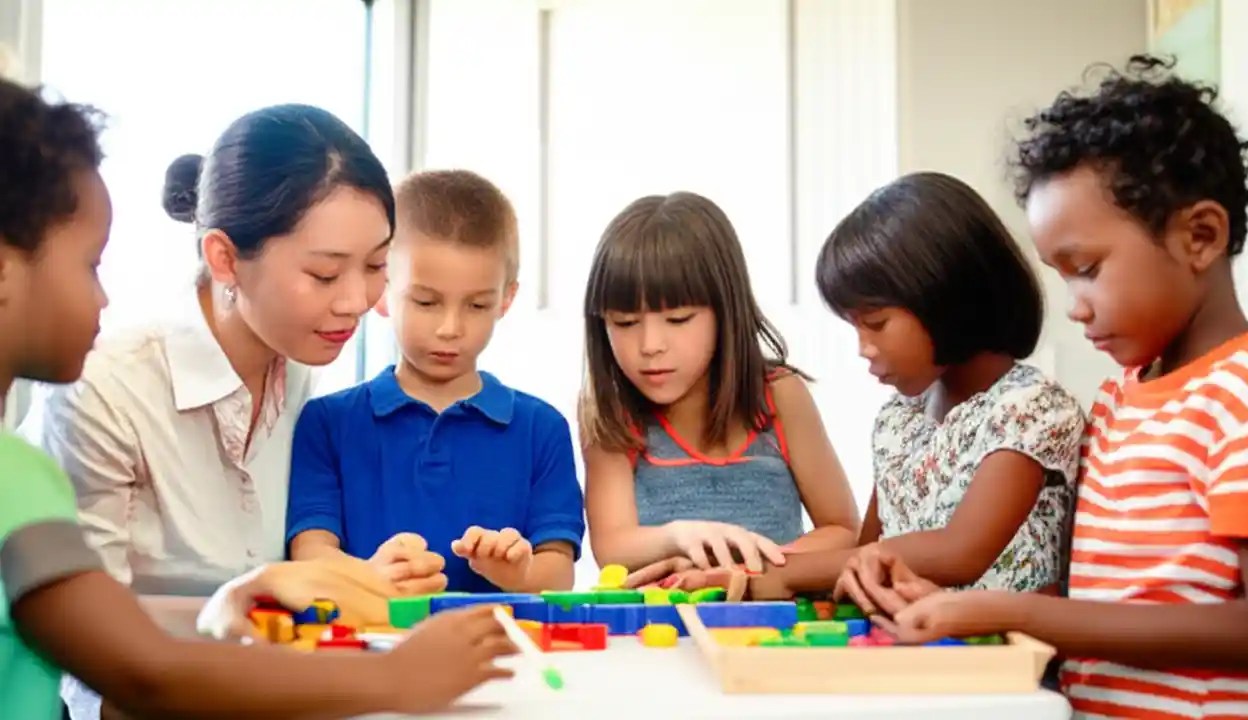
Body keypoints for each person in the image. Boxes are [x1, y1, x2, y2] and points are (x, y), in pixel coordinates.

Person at [0, 75, 514, 720]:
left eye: (377, 266)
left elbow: (269, 597)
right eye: (324, 273)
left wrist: (348, 580)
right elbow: (98, 660)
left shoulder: (300, 373)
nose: (357, 301)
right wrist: (265, 598)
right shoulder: (104, 388)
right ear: (224, 258)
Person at [844, 55, 1248, 718]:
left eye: (1087, 269)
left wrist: (1010, 609)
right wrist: (955, 605)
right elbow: (1114, 606)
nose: (1075, 305)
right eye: (1061, 275)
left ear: (1201, 236)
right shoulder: (1120, 398)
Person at [625, 174, 1085, 599]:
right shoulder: (899, 421)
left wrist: (771, 576)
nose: (863, 347)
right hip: (917, 661)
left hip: (1010, 673)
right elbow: (859, 560)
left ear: (947, 298)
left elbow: (958, 553)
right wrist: (728, 575)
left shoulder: (1031, 408)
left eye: (876, 323)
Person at [287, 169, 585, 593]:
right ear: (384, 290)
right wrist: (370, 577)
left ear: (506, 299)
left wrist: (517, 574)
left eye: (477, 305)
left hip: (498, 650)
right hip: (364, 652)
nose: (450, 328)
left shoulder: (541, 429)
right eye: (426, 302)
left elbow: (557, 574)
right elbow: (309, 551)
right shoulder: (327, 423)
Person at [581, 191, 860, 574]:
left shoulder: (781, 395)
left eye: (678, 319)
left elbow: (842, 529)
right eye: (624, 323)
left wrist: (750, 568)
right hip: (662, 628)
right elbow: (613, 545)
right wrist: (679, 537)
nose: (650, 346)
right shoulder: (608, 408)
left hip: (774, 625)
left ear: (726, 311)